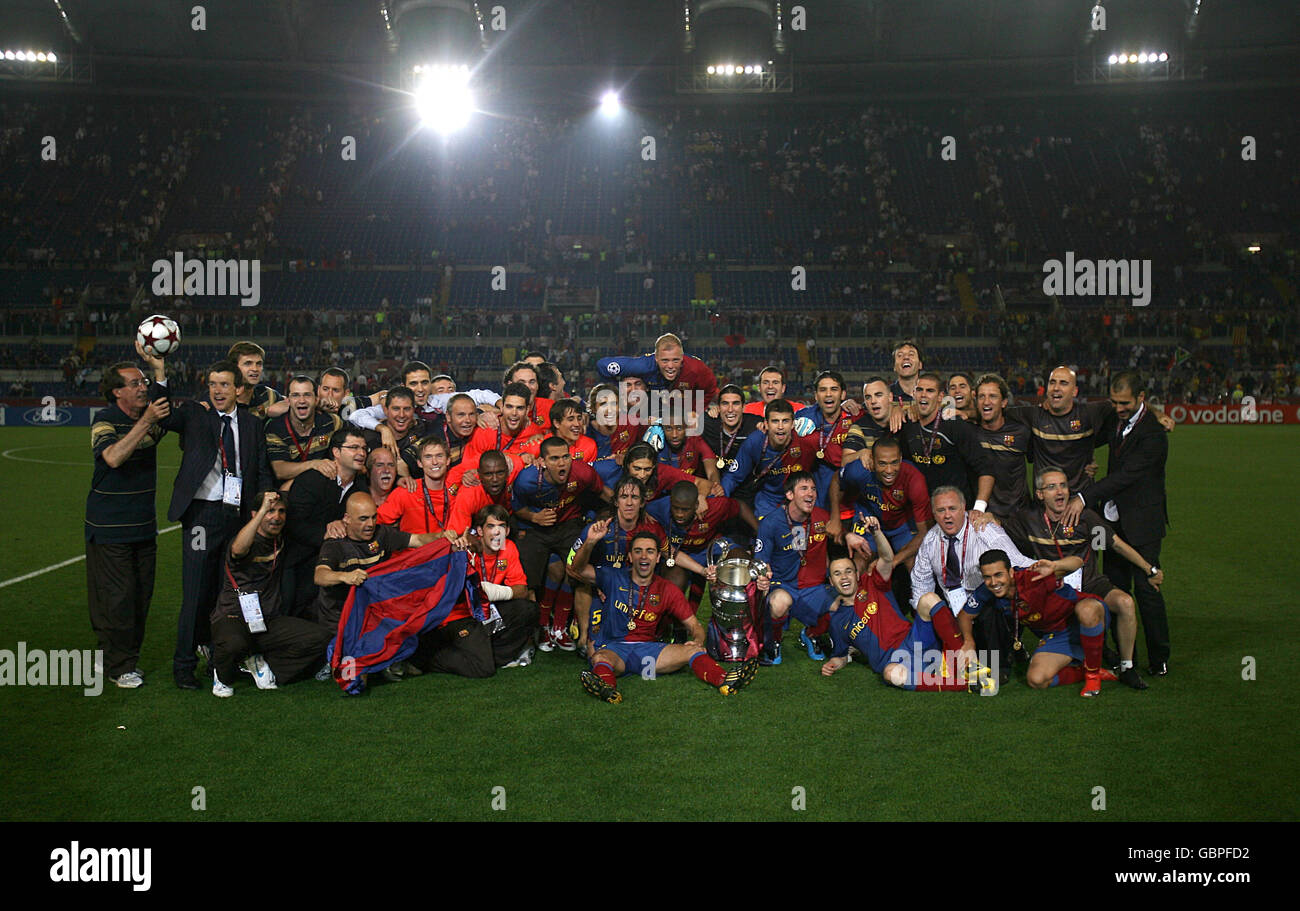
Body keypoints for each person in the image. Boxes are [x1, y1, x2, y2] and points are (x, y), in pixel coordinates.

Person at [148, 355, 273, 690]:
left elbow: (260, 470)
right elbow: (163, 412)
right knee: (195, 592)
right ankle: (183, 666)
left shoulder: (250, 424)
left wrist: (259, 511)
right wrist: (160, 372)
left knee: (227, 591)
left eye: (224, 385)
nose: (217, 391)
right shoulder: (195, 414)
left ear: (238, 389)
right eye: (213, 384)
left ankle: (219, 661)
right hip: (202, 516)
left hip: (237, 518)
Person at [1000, 468, 1161, 689]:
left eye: (1063, 485)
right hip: (1054, 590)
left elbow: (1114, 544)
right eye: (1052, 487)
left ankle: (1127, 667)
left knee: (1125, 602)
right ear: (1040, 495)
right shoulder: (1029, 519)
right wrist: (987, 516)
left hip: (1092, 584)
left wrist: (1148, 569)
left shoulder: (1084, 518)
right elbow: (1000, 530)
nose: (1060, 492)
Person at [1062, 371, 1171, 676]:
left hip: (1143, 522)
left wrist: (1083, 497)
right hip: (1111, 520)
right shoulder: (1117, 420)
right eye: (1114, 402)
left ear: (1140, 399)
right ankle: (1126, 656)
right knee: (1114, 589)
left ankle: (1160, 657)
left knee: (1148, 589)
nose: (1118, 408)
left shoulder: (1153, 434)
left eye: (1124, 403)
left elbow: (1127, 476)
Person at [570, 525, 757, 703]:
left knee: (694, 651)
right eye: (638, 551)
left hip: (649, 653)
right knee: (600, 658)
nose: (644, 556)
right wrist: (590, 542)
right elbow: (577, 570)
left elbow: (694, 626)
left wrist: (698, 640)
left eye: (650, 551)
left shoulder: (667, 589)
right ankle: (608, 689)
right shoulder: (613, 577)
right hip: (614, 650)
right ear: (630, 556)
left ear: (658, 557)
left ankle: (725, 680)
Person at [910, 486, 1076, 678]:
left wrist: (1052, 571)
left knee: (992, 606)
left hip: (984, 601)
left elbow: (1016, 563)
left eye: (952, 509)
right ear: (934, 513)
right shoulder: (930, 541)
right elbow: (920, 584)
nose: (947, 516)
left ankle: (999, 668)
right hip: (953, 606)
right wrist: (926, 615)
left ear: (964, 508)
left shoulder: (985, 530)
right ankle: (966, 654)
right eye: (941, 510)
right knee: (931, 606)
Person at [85, 354, 170, 688]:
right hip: (108, 529)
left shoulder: (147, 420)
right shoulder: (104, 420)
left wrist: (160, 369)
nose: (142, 388)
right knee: (117, 599)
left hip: (143, 527)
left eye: (143, 382)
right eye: (135, 383)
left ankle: (123, 660)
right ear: (116, 392)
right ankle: (119, 666)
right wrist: (146, 421)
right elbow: (114, 457)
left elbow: (164, 405)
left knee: (139, 598)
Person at [819, 519, 979, 692]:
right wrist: (832, 664)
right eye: (837, 574)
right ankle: (964, 684)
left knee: (929, 599)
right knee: (891, 674)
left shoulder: (873, 583)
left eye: (848, 571)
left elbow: (887, 558)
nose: (844, 577)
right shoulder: (837, 621)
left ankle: (965, 663)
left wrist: (876, 533)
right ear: (831, 582)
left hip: (914, 639)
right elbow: (841, 656)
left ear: (857, 574)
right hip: (895, 661)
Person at [209, 491, 333, 697]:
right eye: (270, 511)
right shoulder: (244, 540)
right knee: (234, 644)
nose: (276, 517)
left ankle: (263, 667)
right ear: (255, 514)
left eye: (281, 511)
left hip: (267, 620)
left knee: (320, 638)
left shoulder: (281, 541)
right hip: (234, 616)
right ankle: (222, 678)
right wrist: (262, 512)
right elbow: (238, 550)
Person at [962, 551, 1118, 697]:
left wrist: (1056, 565)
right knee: (1037, 680)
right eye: (987, 577)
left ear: (1011, 573)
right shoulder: (986, 591)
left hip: (1083, 618)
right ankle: (1085, 670)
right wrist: (969, 641)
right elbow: (964, 615)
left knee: (1087, 609)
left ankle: (1093, 676)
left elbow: (1077, 561)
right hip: (1057, 635)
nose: (993, 582)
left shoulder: (1031, 577)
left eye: (998, 575)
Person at [312, 494, 444, 634]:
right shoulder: (335, 544)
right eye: (363, 519)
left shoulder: (382, 533)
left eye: (373, 517)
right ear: (347, 519)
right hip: (338, 622)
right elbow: (320, 576)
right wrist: (345, 576)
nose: (370, 524)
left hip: (371, 615)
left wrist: (442, 537)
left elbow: (417, 540)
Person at [281, 427, 370, 617]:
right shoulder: (312, 479)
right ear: (336, 452)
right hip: (297, 559)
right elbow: (293, 524)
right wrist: (325, 532)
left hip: (335, 561)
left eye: (364, 448)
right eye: (353, 447)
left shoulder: (361, 485)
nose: (361, 453)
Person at [753, 472, 833, 665]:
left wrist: (849, 537)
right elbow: (760, 559)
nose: (811, 494)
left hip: (810, 585)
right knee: (779, 602)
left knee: (842, 600)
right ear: (789, 495)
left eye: (813, 489)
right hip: (782, 584)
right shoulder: (771, 522)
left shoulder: (822, 517)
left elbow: (829, 545)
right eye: (804, 489)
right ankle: (775, 640)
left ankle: (810, 634)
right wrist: (764, 575)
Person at [899, 372, 995, 512]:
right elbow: (905, 466)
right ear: (914, 394)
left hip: (956, 511)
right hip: (922, 511)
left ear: (940, 397)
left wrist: (979, 509)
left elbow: (986, 469)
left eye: (930, 391)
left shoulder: (955, 425)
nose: (924, 394)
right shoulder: (907, 425)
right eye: (919, 390)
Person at [721, 399, 823, 518]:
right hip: (768, 501)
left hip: (801, 499)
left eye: (785, 421)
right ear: (766, 424)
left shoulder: (807, 441)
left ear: (793, 424)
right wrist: (720, 502)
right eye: (775, 421)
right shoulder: (756, 441)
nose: (780, 427)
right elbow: (734, 476)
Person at [596, 332, 719, 404]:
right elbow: (602, 365)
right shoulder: (642, 366)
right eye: (665, 360)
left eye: (675, 360)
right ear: (656, 359)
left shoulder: (697, 369)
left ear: (682, 359)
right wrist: (618, 391)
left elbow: (712, 391)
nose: (670, 366)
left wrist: (698, 409)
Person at [970, 373, 1031, 518]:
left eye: (992, 396)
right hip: (983, 516)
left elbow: (1042, 455)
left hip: (1018, 516)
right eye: (981, 396)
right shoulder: (970, 433)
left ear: (1003, 402)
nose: (986, 402)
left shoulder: (1021, 432)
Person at [264, 375, 343, 484]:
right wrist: (314, 464)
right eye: (295, 395)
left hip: (321, 487)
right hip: (286, 493)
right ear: (288, 401)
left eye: (307, 395)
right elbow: (280, 470)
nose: (302, 400)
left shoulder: (332, 422)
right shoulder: (275, 428)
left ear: (316, 400)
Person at [376, 437, 456, 535]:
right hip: (413, 550)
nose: (434, 462)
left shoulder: (457, 488)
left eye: (439, 456)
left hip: (447, 549)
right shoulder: (407, 491)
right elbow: (375, 521)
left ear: (448, 460)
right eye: (428, 457)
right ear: (419, 463)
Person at [446, 450, 514, 536]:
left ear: (507, 471)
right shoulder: (469, 494)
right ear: (479, 474)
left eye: (500, 473)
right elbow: (456, 535)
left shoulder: (514, 471)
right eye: (488, 474)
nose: (495, 479)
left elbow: (526, 457)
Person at [227, 341, 287, 419]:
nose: (255, 369)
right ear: (233, 367)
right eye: (248, 363)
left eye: (259, 364)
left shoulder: (269, 396)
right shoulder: (220, 399)